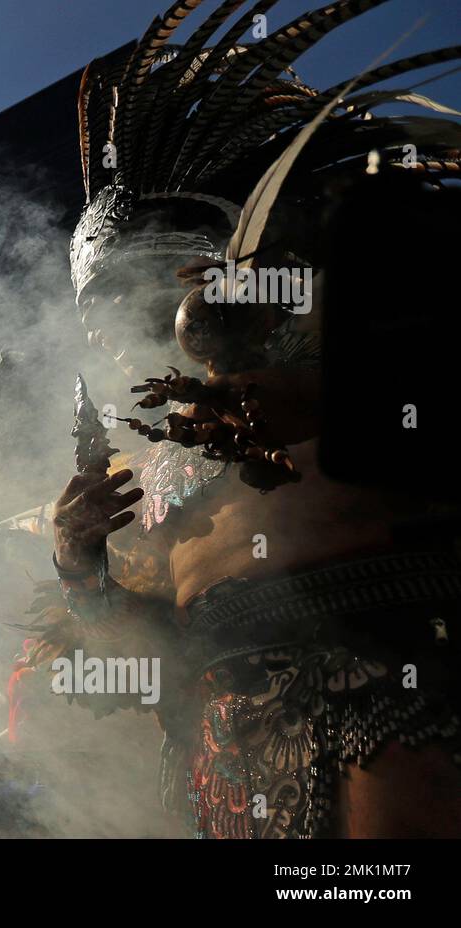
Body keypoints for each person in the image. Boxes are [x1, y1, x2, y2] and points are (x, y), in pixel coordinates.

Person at [38, 0, 461, 838]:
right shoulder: (150, 474)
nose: (105, 332)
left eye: (127, 297)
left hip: (395, 695)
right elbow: (147, 652)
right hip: (231, 750)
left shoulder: (369, 359)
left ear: (205, 285)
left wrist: (332, 403)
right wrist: (78, 561)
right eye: (91, 314)